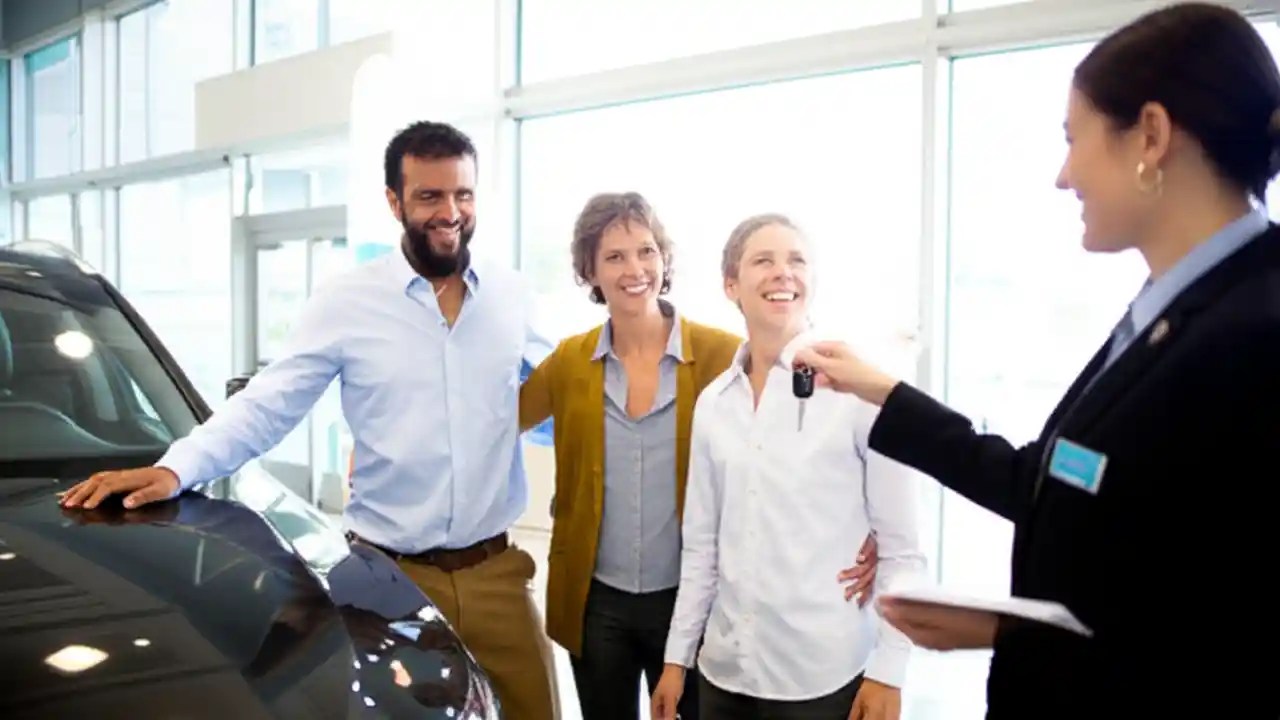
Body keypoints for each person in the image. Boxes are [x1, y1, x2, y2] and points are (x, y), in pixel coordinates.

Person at [790, 4, 1280, 717]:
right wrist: (886, 392)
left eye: (1073, 140)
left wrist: (1011, 633)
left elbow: (1224, 639)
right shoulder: (1170, 309)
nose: (1063, 175)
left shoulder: (1255, 337)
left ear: (1150, 135)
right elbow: (1053, 483)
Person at [58, 120, 561, 720]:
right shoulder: (349, 301)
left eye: (463, 195)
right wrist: (175, 469)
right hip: (388, 582)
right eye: (430, 196)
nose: (450, 212)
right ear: (394, 201)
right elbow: (270, 403)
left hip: (497, 574)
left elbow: (567, 392)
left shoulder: (511, 295)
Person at [519, 194, 882, 720]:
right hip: (596, 602)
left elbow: (798, 445)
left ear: (664, 260)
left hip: (692, 597)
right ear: (589, 272)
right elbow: (498, 425)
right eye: (614, 256)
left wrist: (866, 530)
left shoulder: (721, 356)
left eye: (646, 251)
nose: (635, 269)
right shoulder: (570, 360)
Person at [649, 214, 927, 720]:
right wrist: (676, 659)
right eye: (764, 261)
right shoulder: (714, 404)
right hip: (724, 673)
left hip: (821, 676)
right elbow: (702, 548)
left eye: (797, 260)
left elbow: (904, 550)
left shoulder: (859, 393)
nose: (783, 273)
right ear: (731, 285)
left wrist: (890, 668)